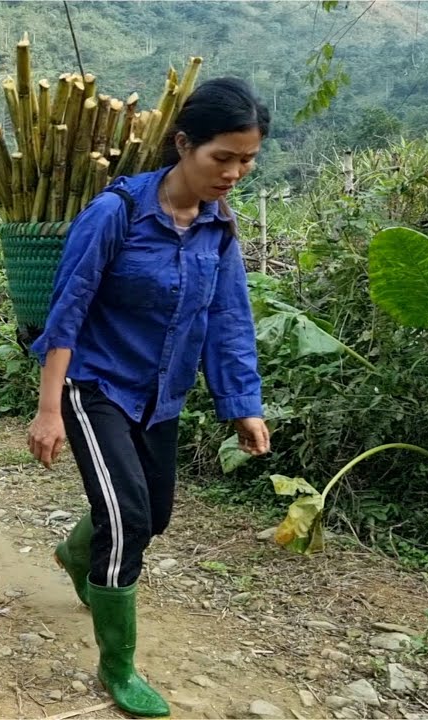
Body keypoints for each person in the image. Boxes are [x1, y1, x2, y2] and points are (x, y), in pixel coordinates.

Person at [26, 77, 273, 718]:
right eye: (224, 157)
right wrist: (49, 407)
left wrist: (242, 402)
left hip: (161, 394)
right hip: (94, 385)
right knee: (130, 521)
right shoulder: (118, 213)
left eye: (247, 160)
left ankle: (77, 551)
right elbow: (69, 310)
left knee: (152, 516)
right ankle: (118, 665)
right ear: (184, 144)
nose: (235, 173)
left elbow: (229, 319)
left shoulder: (219, 228)